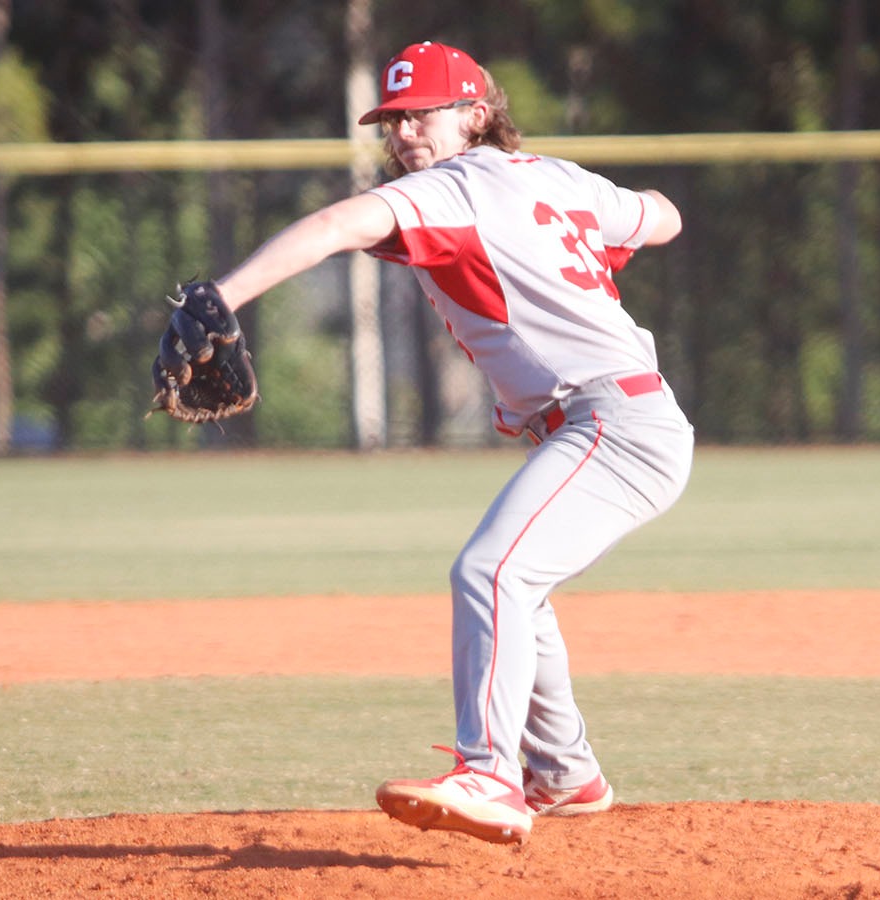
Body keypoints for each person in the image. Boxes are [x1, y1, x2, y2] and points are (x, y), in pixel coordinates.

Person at [203, 40, 694, 844]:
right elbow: (663, 214)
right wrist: (601, 220)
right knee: (517, 585)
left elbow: (335, 225)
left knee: (492, 570)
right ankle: (565, 775)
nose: (403, 134)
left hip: (614, 422)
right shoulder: (552, 177)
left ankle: (493, 776)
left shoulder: (451, 189)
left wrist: (222, 295)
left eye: (420, 114)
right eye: (393, 120)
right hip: (621, 417)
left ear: (474, 114)